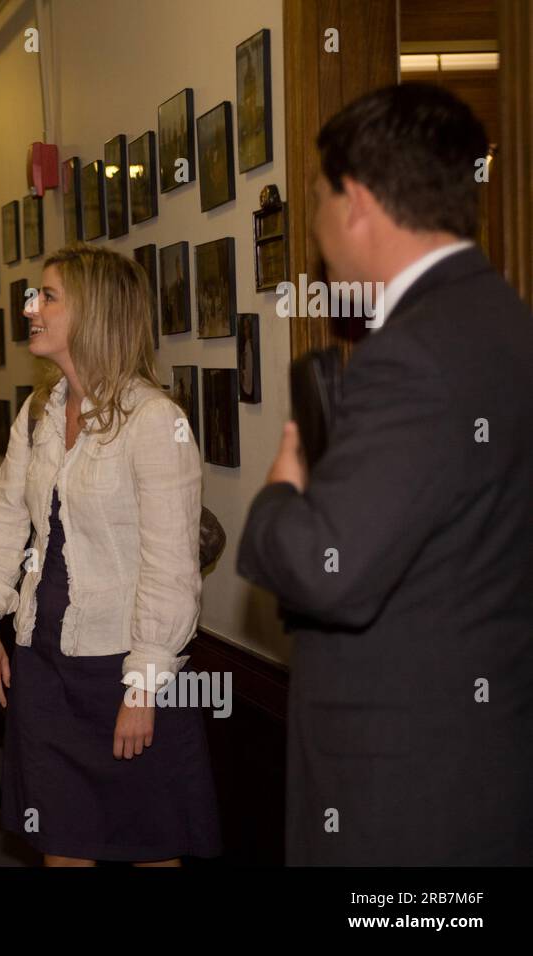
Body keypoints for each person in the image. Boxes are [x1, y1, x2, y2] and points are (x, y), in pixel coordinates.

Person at [237, 83, 533, 865]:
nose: (315, 231)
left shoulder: (412, 355)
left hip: (403, 797)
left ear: (356, 200)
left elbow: (326, 568)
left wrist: (281, 489)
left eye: (316, 202)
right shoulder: (508, 325)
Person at [0, 244, 221, 866]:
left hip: (127, 673)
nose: (31, 307)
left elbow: (171, 565)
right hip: (44, 665)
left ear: (96, 313)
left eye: (48, 297)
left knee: (150, 846)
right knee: (62, 845)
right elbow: (0, 518)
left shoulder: (155, 421)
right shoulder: (40, 414)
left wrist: (143, 689)